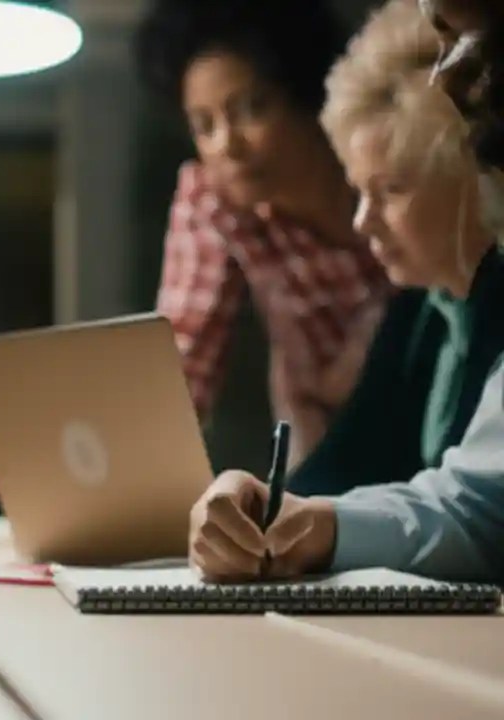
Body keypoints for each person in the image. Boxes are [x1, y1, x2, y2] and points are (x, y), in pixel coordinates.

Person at [188, 0, 504, 583]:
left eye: (390, 190)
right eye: (358, 192)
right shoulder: (419, 312)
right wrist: (262, 502)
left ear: (471, 175)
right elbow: (343, 478)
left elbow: (476, 515)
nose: (362, 223)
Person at [135, 0, 393, 465]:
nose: (227, 144)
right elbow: (185, 354)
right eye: (203, 124)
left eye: (252, 108)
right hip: (323, 439)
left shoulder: (381, 168)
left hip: (441, 421)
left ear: (305, 96)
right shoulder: (215, 200)